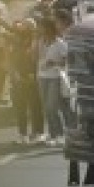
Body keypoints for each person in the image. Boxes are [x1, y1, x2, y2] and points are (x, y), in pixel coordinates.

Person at [36, 18, 71, 148]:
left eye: (41, 27)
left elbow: (66, 61)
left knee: (52, 107)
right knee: (46, 108)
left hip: (55, 77)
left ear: (47, 28)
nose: (39, 29)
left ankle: (60, 135)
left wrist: (54, 63)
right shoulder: (41, 42)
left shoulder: (60, 43)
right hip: (42, 76)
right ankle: (53, 135)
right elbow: (37, 57)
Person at [9, 19, 44, 145]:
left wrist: (34, 74)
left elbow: (38, 59)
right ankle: (22, 134)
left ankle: (38, 132)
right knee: (20, 108)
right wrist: (14, 74)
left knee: (35, 106)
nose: (21, 30)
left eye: (25, 27)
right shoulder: (15, 44)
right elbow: (11, 60)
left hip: (32, 78)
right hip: (18, 80)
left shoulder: (36, 43)